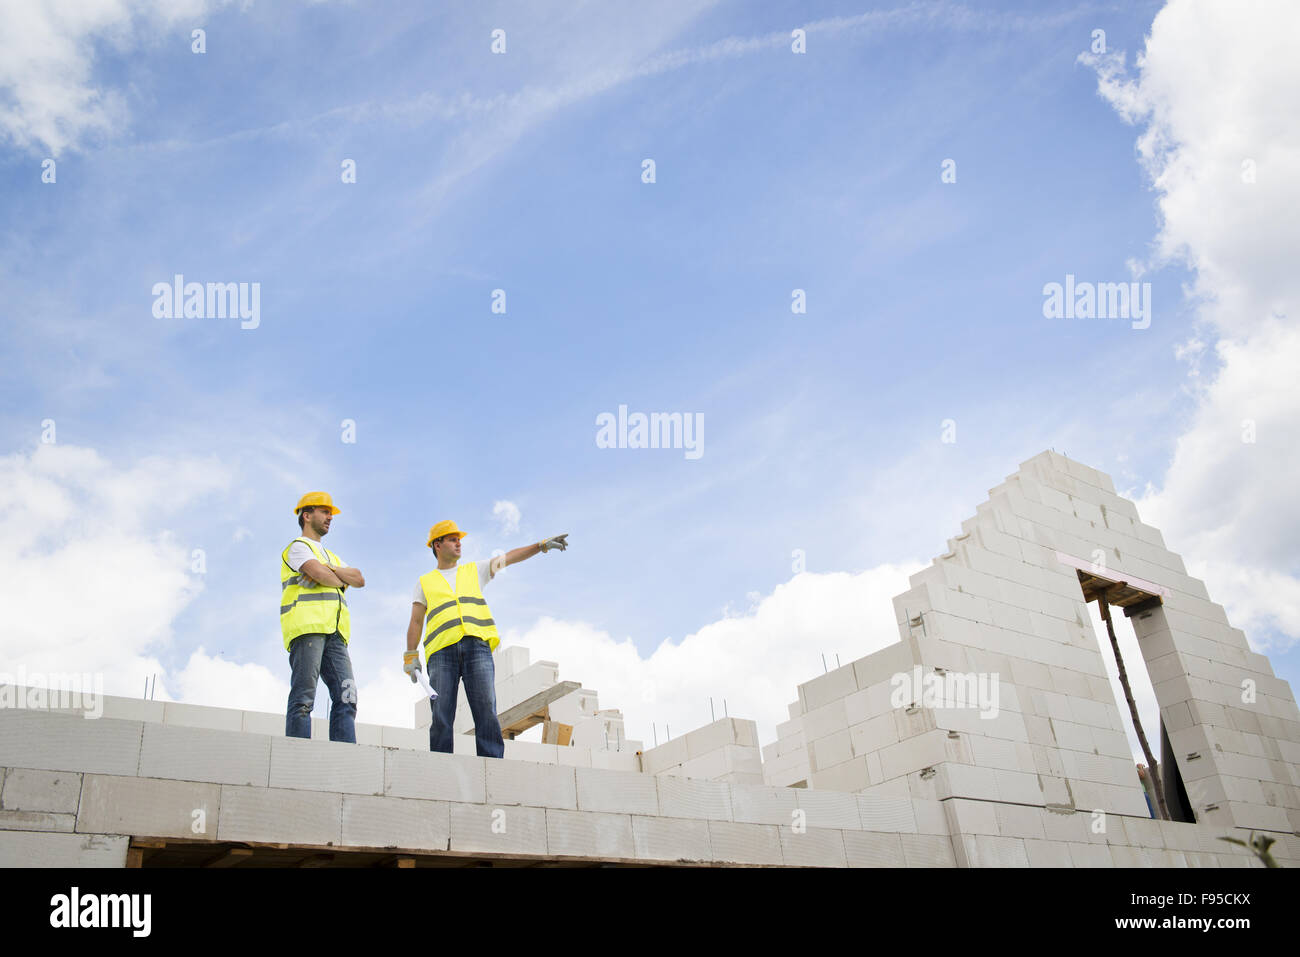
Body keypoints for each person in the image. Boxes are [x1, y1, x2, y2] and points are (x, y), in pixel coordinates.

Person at [403, 520, 568, 757]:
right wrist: (410, 655)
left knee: (486, 710)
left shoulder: (475, 570)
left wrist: (540, 546)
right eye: (452, 539)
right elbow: (416, 621)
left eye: (459, 539)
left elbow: (509, 557)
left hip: (476, 648)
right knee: (441, 714)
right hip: (441, 653)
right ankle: (439, 764)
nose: (459, 543)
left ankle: (492, 766)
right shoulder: (424, 582)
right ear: (437, 545)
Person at [280, 492, 365, 742]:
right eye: (325, 512)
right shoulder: (297, 548)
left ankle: (344, 755)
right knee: (304, 697)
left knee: (347, 697)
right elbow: (322, 575)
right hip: (308, 629)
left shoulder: (331, 557)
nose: (330, 517)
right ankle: (297, 753)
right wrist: (336, 577)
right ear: (307, 515)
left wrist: (329, 569)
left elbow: (359, 579)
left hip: (336, 635)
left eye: (331, 513)